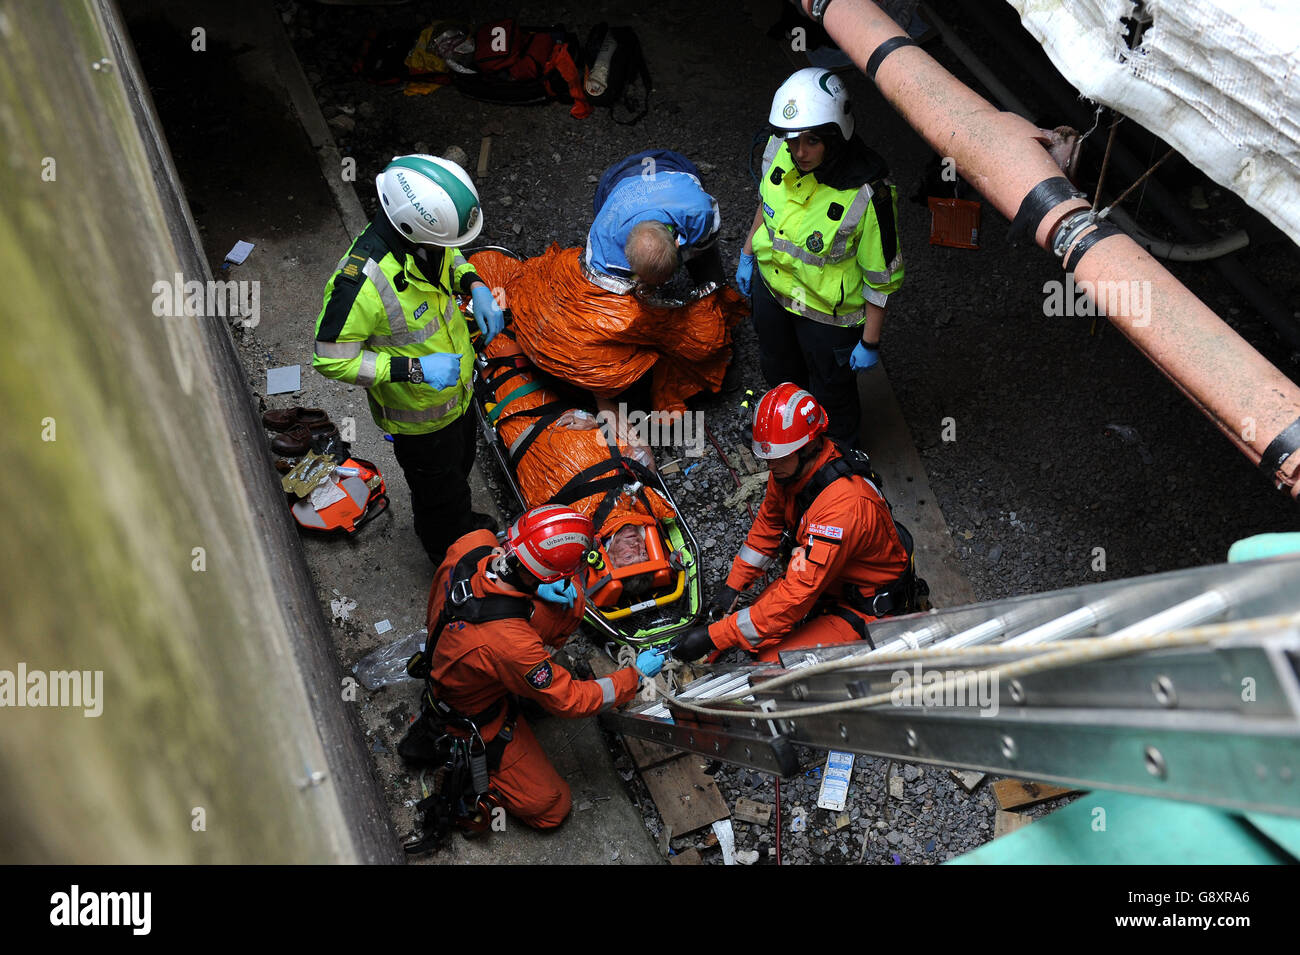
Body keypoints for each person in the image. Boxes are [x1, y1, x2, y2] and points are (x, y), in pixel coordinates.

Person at [401, 505, 665, 831]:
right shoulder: (512, 644)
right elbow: (573, 700)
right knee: (551, 807)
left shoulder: (474, 542)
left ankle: (525, 689)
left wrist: (537, 586)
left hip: (462, 654)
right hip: (472, 712)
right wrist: (634, 677)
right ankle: (467, 761)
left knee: (571, 601)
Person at [312, 154, 506, 565]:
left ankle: (460, 521)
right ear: (411, 227)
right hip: (419, 422)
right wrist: (413, 369)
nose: (448, 250)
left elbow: (449, 259)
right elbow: (330, 359)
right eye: (442, 241)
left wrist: (474, 283)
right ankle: (449, 556)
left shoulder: (418, 242)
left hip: (457, 397)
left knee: (456, 474)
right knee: (436, 492)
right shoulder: (360, 283)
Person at [670, 384, 924, 664]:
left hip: (862, 604)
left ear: (809, 447)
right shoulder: (789, 472)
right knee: (753, 635)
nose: (770, 466)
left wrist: (712, 636)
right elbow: (767, 527)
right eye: (767, 458)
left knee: (770, 666)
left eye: (778, 457)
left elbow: (795, 597)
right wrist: (733, 585)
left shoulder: (843, 507)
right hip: (827, 581)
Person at [737, 68, 905, 446]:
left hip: (826, 319)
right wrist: (748, 254)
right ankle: (792, 443)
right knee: (780, 373)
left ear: (836, 134)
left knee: (832, 397)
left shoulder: (869, 195)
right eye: (794, 140)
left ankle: (839, 463)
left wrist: (871, 342)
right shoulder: (779, 151)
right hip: (772, 294)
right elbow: (766, 206)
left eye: (813, 141)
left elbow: (882, 278)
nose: (799, 152)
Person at [584, 149, 724, 292]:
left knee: (705, 261)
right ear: (627, 258)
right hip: (615, 180)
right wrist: (629, 283)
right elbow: (602, 284)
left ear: (677, 244)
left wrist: (685, 256)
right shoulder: (602, 243)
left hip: (671, 168)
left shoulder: (699, 214)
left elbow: (705, 243)